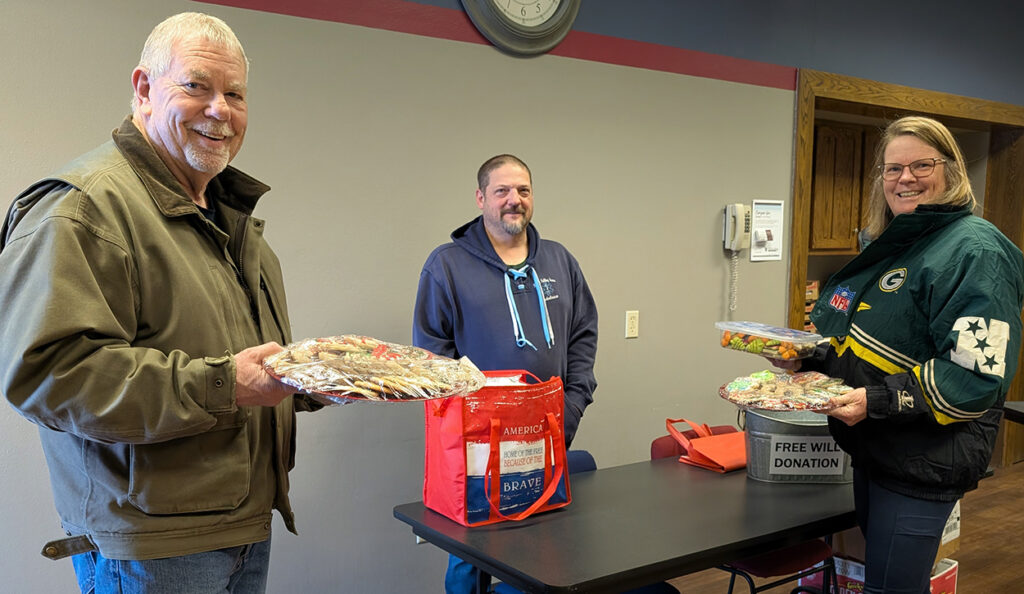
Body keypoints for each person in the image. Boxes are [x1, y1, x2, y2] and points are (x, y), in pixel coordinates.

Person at [0, 12, 319, 594]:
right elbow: (50, 374)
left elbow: (241, 365)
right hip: (151, 551)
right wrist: (229, 384)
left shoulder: (225, 217)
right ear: (144, 89)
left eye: (235, 94)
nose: (220, 109)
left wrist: (314, 378)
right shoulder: (83, 210)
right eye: (196, 86)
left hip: (244, 527)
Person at [778, 116, 1024, 594]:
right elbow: (876, 346)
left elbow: (974, 374)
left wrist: (877, 401)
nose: (904, 178)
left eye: (921, 165)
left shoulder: (976, 250)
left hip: (925, 460)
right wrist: (806, 360)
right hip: (879, 448)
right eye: (893, 169)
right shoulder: (901, 242)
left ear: (951, 171)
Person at [413, 154, 599, 594]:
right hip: (475, 445)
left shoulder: (560, 261)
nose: (514, 201)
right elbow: (431, 357)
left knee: (541, 554)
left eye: (523, 191)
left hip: (548, 433)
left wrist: (571, 408)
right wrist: (467, 423)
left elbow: (583, 337)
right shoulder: (446, 266)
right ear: (481, 198)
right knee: (469, 560)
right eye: (502, 191)